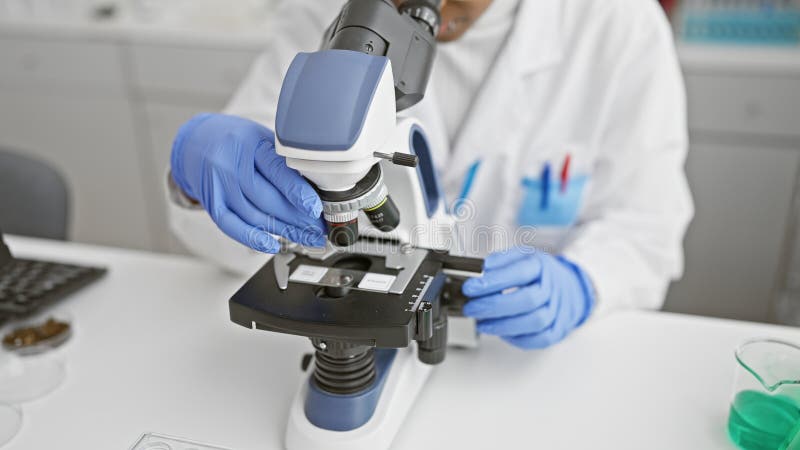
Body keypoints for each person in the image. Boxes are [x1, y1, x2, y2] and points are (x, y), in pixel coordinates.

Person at [166, 0, 693, 349]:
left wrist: (583, 283)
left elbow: (645, 226)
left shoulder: (614, 23)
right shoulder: (328, 12)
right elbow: (239, 207)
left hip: (513, 359)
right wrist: (194, 184)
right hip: (358, 322)